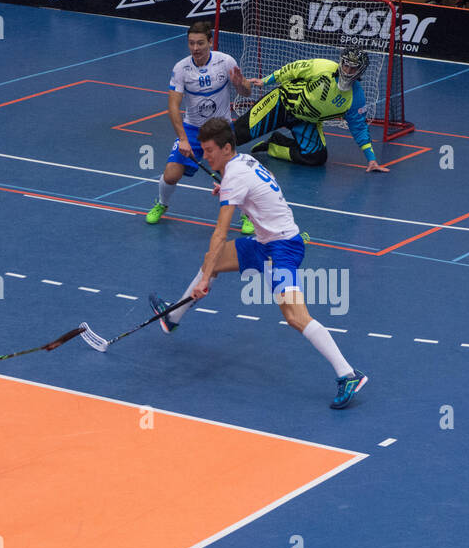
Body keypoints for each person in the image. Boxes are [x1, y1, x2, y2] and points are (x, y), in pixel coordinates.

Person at [152, 118, 368, 410]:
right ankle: (172, 318)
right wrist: (229, 191)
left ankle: (348, 374)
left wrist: (204, 286)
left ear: (227, 148)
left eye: (210, 151)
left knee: (295, 316)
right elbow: (255, 192)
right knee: (211, 262)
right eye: (202, 150)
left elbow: (220, 232)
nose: (205, 157)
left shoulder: (234, 176)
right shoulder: (242, 162)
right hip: (264, 242)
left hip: (281, 249)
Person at [147, 22, 256, 234]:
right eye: (191, 44)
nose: (195, 48)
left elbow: (247, 93)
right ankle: (162, 203)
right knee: (170, 175)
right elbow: (173, 105)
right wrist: (183, 139)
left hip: (221, 131)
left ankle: (247, 215)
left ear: (210, 42)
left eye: (200, 44)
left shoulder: (225, 62)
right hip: (192, 130)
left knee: (233, 177)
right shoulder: (181, 69)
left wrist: (240, 84)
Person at [233, 48, 389, 172]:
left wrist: (371, 159)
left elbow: (359, 128)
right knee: (236, 136)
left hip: (306, 121)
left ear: (360, 71)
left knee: (316, 157)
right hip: (281, 104)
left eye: (353, 68)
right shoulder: (323, 67)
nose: (347, 71)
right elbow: (292, 69)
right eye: (345, 65)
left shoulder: (356, 98)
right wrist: (265, 81)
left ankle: (274, 144)